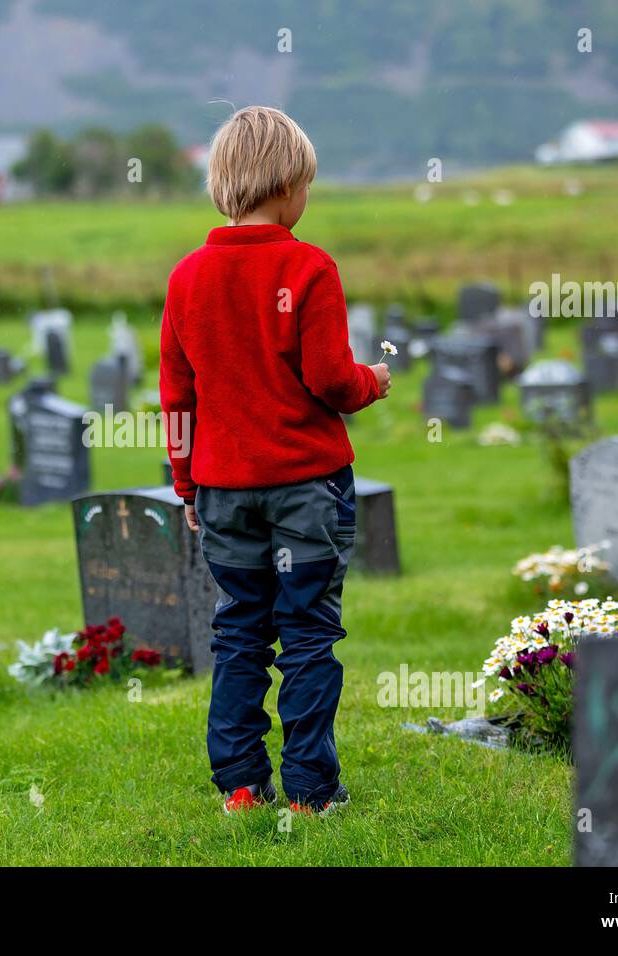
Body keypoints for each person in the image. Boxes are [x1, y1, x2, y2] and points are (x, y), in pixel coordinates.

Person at [159, 106, 392, 815]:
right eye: (308, 186)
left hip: (225, 489)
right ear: (289, 184)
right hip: (307, 490)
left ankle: (239, 784)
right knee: (309, 636)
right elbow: (329, 379)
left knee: (238, 631)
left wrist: (186, 483)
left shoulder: (188, 277)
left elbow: (177, 395)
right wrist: (373, 380)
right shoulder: (309, 266)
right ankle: (312, 793)